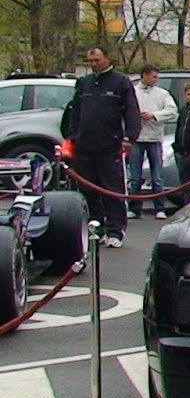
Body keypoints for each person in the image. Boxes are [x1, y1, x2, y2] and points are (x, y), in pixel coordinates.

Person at [60, 46, 140, 248]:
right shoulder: (84, 83)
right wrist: (72, 136)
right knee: (87, 188)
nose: (93, 64)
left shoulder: (121, 82)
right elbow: (75, 111)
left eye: (97, 60)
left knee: (112, 189)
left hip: (109, 146)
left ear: (107, 59)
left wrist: (129, 137)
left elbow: (131, 111)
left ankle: (116, 230)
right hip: (85, 146)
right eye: (90, 61)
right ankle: (97, 226)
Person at [127, 65, 178, 220]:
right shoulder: (132, 92)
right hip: (136, 138)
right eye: (153, 77)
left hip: (155, 138)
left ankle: (159, 207)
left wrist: (154, 115)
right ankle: (135, 208)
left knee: (157, 175)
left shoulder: (162, 94)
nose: (156, 80)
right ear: (145, 75)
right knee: (135, 176)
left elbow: (172, 111)